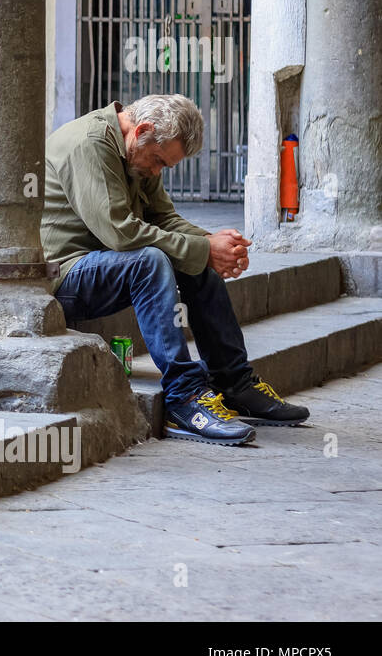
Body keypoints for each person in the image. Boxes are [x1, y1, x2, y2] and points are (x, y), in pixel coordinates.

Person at [41, 93, 308, 445]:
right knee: (151, 262)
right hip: (66, 275)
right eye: (158, 162)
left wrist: (213, 243)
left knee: (196, 260)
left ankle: (234, 382)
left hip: (105, 264)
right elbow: (120, 232)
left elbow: (163, 217)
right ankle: (182, 398)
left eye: (164, 166)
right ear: (143, 130)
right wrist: (203, 248)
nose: (156, 171)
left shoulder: (139, 148)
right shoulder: (89, 144)